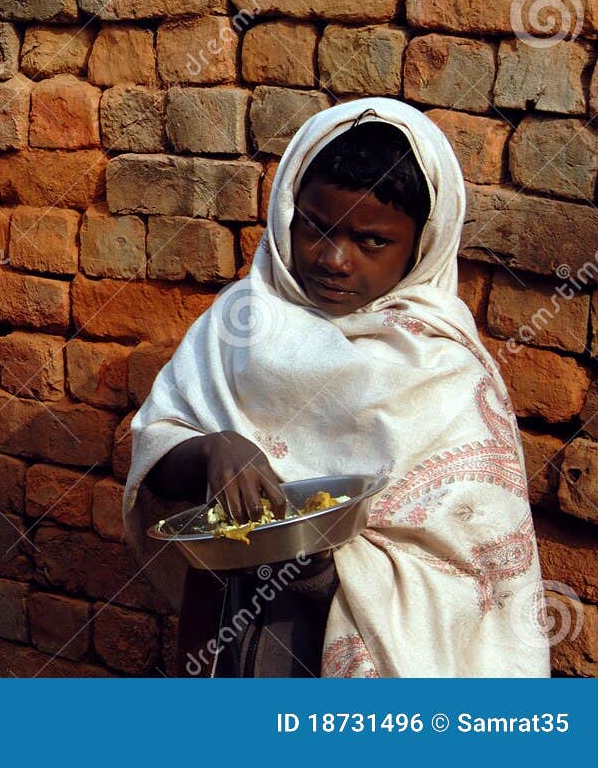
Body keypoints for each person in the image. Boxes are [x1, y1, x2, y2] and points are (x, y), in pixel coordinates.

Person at [125, 98, 548, 677]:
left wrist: (332, 562)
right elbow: (156, 452)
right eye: (315, 227)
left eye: (372, 240)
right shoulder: (241, 324)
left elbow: (476, 565)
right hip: (230, 638)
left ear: (422, 244)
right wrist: (212, 448)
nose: (333, 259)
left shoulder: (446, 370)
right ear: (286, 215)